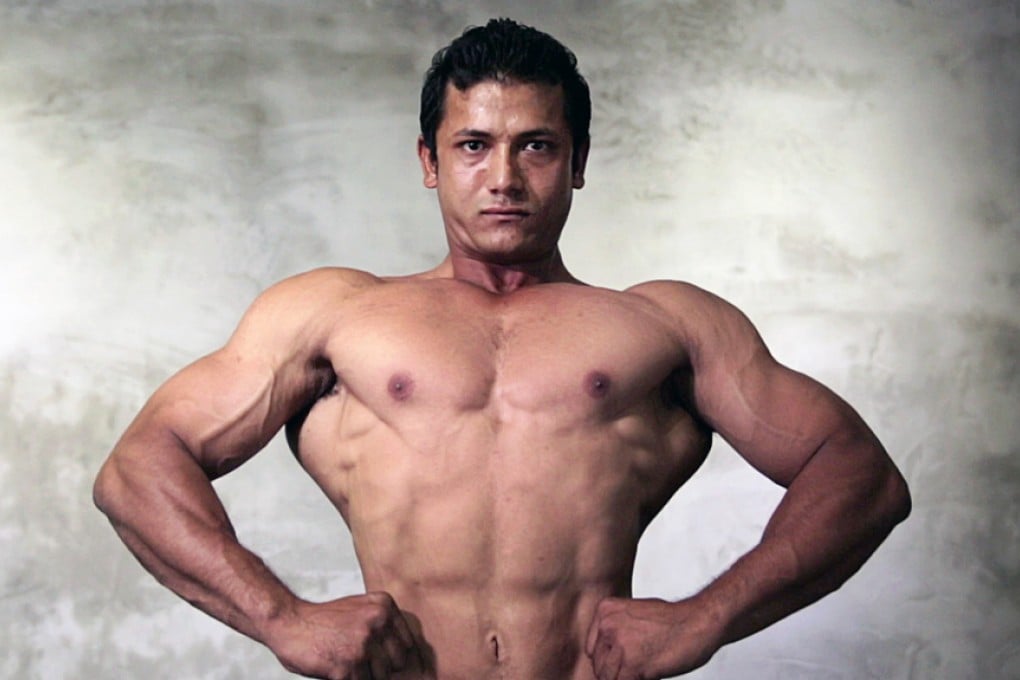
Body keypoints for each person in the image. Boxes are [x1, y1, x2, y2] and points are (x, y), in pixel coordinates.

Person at [93, 18, 911, 680]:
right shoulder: (335, 313)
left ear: (578, 162)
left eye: (537, 145)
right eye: (473, 145)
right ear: (430, 161)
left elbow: (861, 476)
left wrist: (707, 617)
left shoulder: (667, 326)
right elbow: (138, 468)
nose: (504, 177)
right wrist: (284, 619)